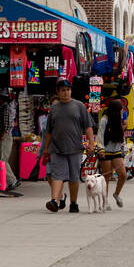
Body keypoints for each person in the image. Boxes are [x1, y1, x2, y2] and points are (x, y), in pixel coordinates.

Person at [39, 78, 94, 214]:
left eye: (68, 90)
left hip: (75, 148)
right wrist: (46, 148)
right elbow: (48, 131)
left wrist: (91, 144)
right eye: (63, 90)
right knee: (57, 175)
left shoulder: (79, 106)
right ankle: (54, 201)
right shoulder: (54, 108)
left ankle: (73, 203)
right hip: (56, 148)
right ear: (58, 92)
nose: (66, 93)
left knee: (74, 177)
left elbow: (88, 127)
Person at [96, 97, 128, 208]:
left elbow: (121, 135)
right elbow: (99, 134)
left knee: (123, 175)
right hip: (105, 151)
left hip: (117, 151)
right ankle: (105, 201)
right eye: (121, 109)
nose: (122, 111)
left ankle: (116, 194)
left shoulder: (118, 119)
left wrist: (124, 149)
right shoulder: (105, 119)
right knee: (106, 177)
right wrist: (100, 149)